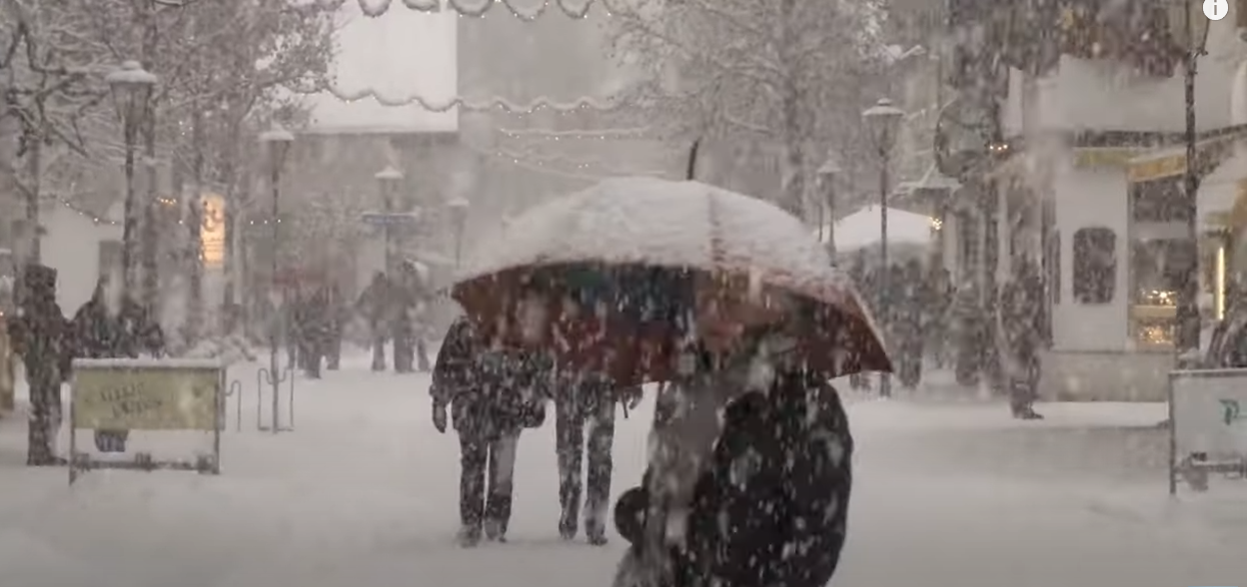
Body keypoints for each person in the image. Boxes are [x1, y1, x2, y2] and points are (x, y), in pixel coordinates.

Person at [610, 274, 853, 587]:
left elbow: (813, 551)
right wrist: (643, 513)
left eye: (735, 292)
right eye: (705, 290)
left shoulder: (805, 406)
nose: (714, 307)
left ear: (781, 309)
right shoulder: (690, 385)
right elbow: (665, 493)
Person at [431, 315, 550, 547]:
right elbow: (446, 366)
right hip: (482, 408)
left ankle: (489, 523)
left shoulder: (514, 324)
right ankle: (478, 523)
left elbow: (537, 365)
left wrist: (537, 398)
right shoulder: (469, 325)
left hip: (501, 408)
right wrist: (439, 401)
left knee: (493, 469)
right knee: (482, 468)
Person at [553, 369, 642, 545]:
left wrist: (632, 378)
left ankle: (583, 513)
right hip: (594, 378)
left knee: (577, 453)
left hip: (586, 378)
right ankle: (587, 515)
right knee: (591, 455)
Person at [7, 264, 68, 465]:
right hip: (42, 366)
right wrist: (30, 350)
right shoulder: (36, 308)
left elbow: (60, 331)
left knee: (48, 410)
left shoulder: (44, 308)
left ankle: (44, 450)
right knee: (44, 410)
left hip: (47, 366)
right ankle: (40, 452)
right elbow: (19, 332)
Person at [1001, 260, 1044, 419]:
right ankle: (1022, 405)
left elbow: (1005, 313)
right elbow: (1014, 312)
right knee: (1026, 371)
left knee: (1023, 371)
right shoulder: (1018, 289)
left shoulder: (1012, 288)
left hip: (1018, 334)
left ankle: (1020, 405)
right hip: (1020, 335)